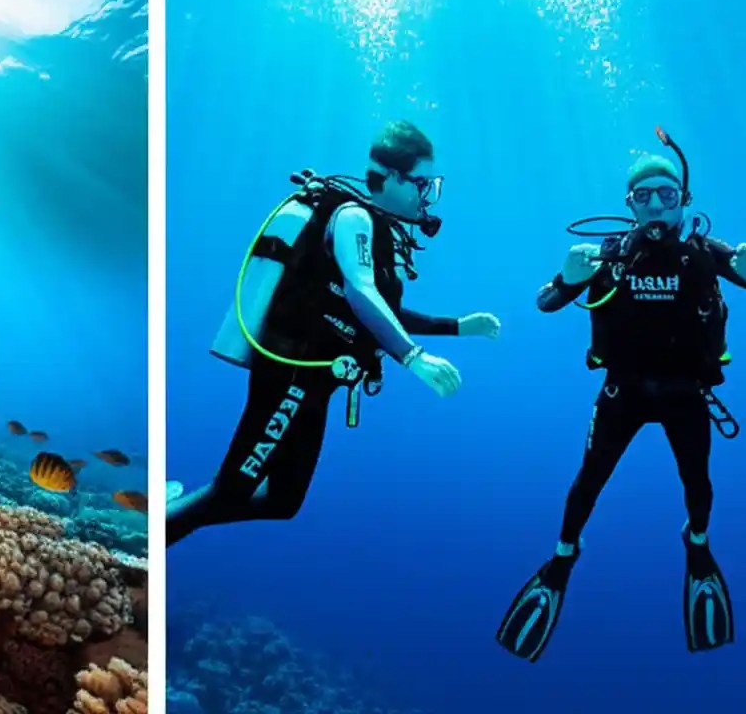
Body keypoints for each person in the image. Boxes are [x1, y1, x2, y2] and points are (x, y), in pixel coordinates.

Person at [495, 134, 746, 662]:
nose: (655, 206)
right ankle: (563, 554)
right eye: (643, 196)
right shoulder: (611, 255)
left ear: (684, 201)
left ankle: (697, 543)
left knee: (697, 481)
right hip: (621, 392)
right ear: (629, 203)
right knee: (588, 480)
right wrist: (566, 277)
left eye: (666, 195)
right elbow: (546, 301)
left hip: (686, 394)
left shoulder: (702, 253)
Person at [166, 120, 501, 547]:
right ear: (391, 178)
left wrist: (456, 327)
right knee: (229, 491)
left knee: (283, 501)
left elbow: (378, 313)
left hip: (316, 382)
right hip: (293, 373)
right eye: (423, 184)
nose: (427, 196)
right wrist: (413, 357)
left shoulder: (379, 230)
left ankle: (171, 513)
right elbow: (359, 290)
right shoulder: (354, 218)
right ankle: (156, 532)